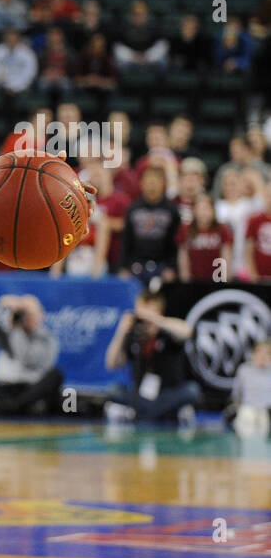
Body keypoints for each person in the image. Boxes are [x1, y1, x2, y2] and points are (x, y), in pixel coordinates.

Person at [104, 289, 201, 426]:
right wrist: (120, 332)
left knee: (192, 390)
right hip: (141, 395)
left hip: (168, 393)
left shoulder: (167, 334)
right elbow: (111, 364)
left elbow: (187, 331)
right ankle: (163, 412)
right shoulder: (134, 337)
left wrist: (155, 320)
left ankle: (138, 413)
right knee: (113, 390)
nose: (144, 320)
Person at [0, 295, 63, 417]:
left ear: (40, 316)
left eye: (29, 314)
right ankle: (15, 406)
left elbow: (26, 358)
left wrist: (17, 329)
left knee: (56, 375)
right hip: (4, 387)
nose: (25, 318)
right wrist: (0, 307)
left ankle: (11, 406)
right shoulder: (8, 333)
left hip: (30, 388)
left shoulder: (46, 339)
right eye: (23, 314)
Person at [119, 165, 180, 281]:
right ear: (142, 184)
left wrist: (172, 267)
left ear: (163, 184)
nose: (152, 185)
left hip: (163, 266)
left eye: (156, 181)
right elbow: (126, 240)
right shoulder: (133, 208)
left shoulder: (172, 210)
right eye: (149, 181)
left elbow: (175, 243)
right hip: (135, 265)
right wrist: (123, 267)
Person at [177, 194, 233, 283]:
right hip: (194, 280)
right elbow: (183, 256)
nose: (203, 213)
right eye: (200, 209)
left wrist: (225, 278)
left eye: (207, 209)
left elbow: (226, 256)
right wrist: (185, 279)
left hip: (217, 279)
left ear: (213, 211)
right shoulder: (186, 230)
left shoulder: (222, 229)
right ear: (194, 211)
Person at [228, 340, 271, 437]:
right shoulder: (244, 370)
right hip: (248, 408)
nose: (263, 357)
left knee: (263, 418)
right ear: (253, 354)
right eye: (259, 353)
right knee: (247, 415)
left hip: (267, 411)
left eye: (267, 354)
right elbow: (236, 394)